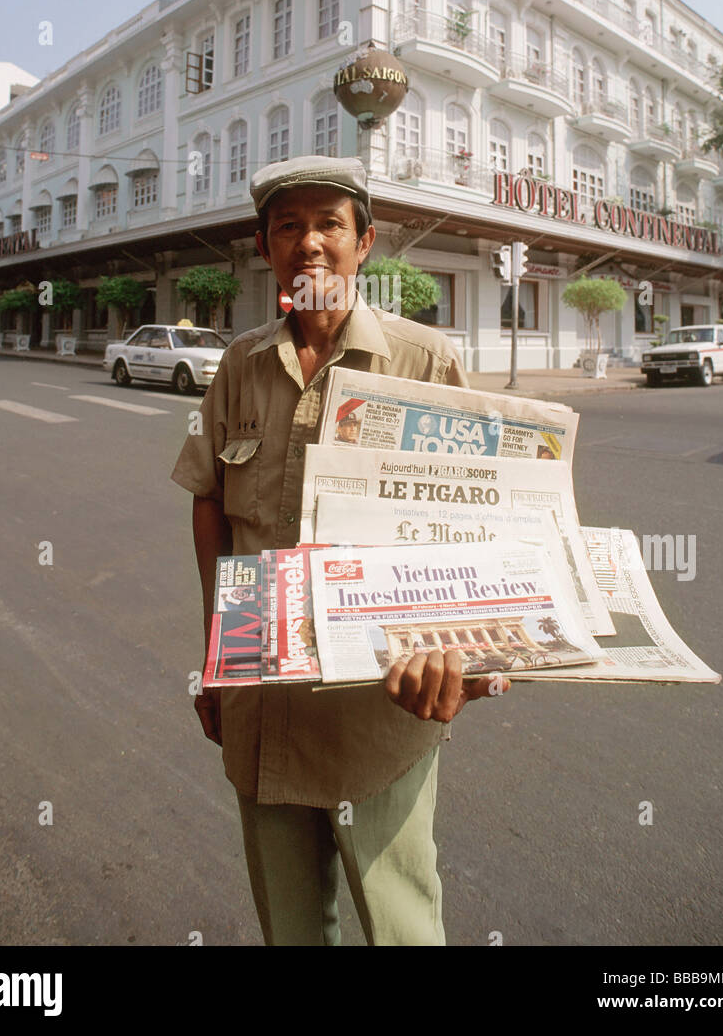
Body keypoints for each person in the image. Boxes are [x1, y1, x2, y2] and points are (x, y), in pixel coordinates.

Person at [171, 155, 510, 947]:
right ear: (265, 247)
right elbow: (211, 503)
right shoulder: (240, 366)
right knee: (290, 929)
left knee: (401, 928)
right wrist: (221, 652)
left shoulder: (424, 361)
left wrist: (477, 651)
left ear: (364, 244)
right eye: (289, 226)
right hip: (262, 698)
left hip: (383, 710)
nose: (309, 243)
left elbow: (488, 525)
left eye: (329, 223)